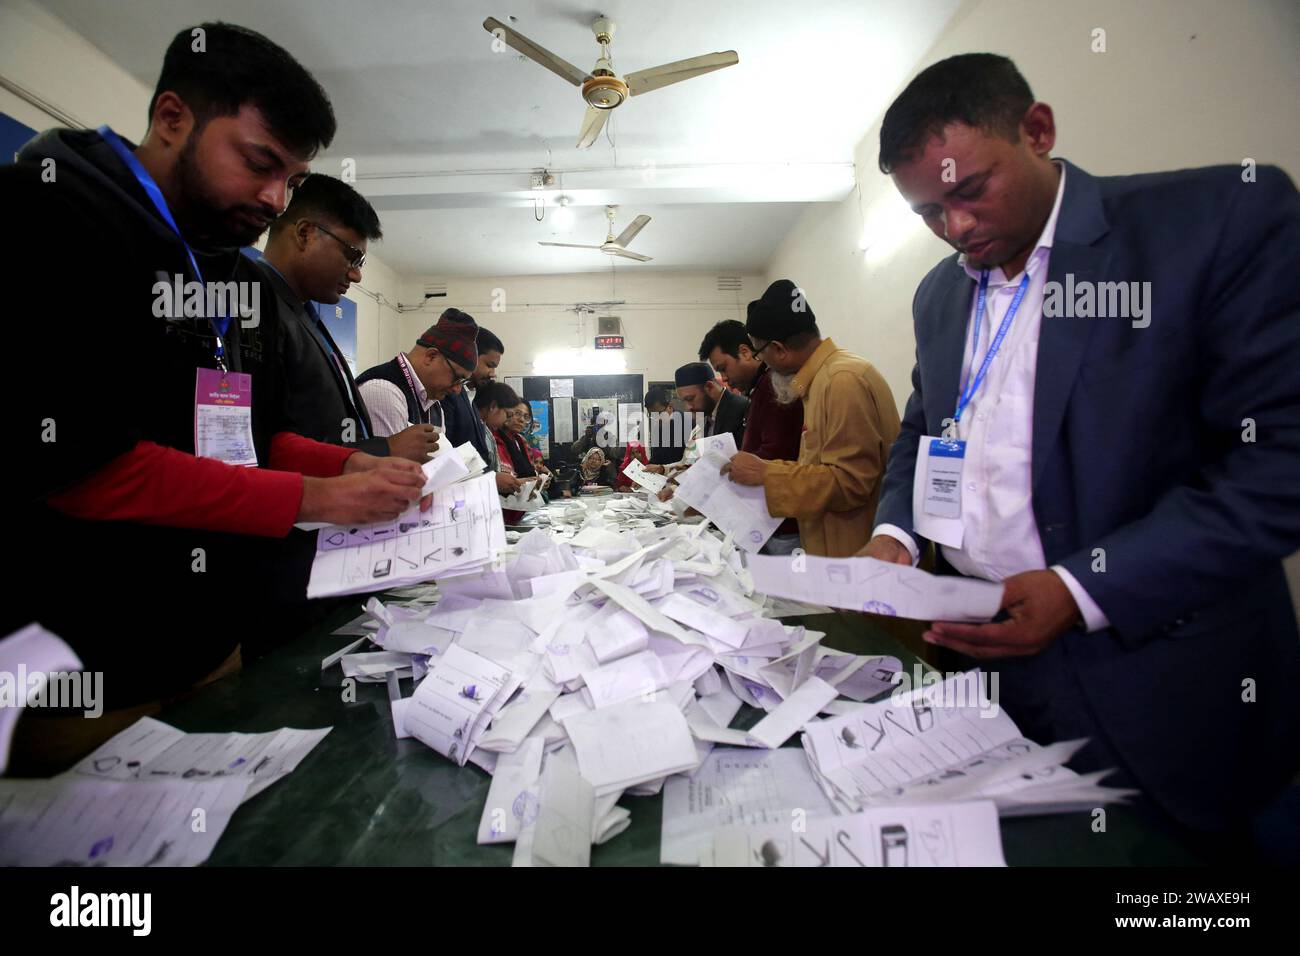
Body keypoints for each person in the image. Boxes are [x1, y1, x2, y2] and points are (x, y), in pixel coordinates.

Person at [859, 53, 1300, 843]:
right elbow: (925, 432)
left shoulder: (1210, 224)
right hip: (979, 661)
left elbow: (1278, 464)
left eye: (968, 191)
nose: (953, 228)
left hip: (1152, 671)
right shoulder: (940, 292)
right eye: (928, 211)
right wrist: (898, 531)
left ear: (1038, 131)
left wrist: (1080, 590)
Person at [5, 22, 426, 757]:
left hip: (210, 643)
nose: (273, 198)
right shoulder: (51, 219)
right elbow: (83, 468)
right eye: (259, 162)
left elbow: (251, 436)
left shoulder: (228, 270)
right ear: (172, 118)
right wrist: (315, 498)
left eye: (291, 181)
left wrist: (344, 464)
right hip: (89, 665)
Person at [258, 174, 437, 463]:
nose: (356, 274)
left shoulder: (304, 316)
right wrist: (385, 449)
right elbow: (265, 446)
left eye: (361, 263)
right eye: (352, 257)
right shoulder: (256, 309)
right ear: (305, 233)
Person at [723, 280, 900, 558]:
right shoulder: (821, 381)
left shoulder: (842, 381)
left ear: (779, 349)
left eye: (760, 353)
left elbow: (851, 483)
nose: (764, 364)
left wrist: (766, 473)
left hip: (856, 553)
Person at [699, 319, 804, 553]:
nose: (724, 378)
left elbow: (777, 453)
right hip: (768, 519)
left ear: (745, 352)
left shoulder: (774, 386)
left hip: (782, 522)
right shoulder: (759, 390)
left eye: (723, 368)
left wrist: (732, 469)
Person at [356, 310, 477, 442]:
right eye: (456, 378)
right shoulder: (383, 391)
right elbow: (389, 461)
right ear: (431, 357)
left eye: (463, 382)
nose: (457, 390)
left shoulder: (433, 405)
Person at [442, 326, 505, 470]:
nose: (493, 374)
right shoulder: (449, 395)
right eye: (489, 365)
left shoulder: (469, 395)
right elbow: (447, 450)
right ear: (471, 356)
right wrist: (493, 479)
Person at [674, 361, 749, 450]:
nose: (687, 408)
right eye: (683, 401)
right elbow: (691, 459)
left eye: (690, 399)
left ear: (709, 387)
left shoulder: (742, 409)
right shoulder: (704, 418)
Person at [472, 381, 523, 495]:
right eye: (508, 415)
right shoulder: (480, 431)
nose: (507, 421)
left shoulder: (486, 431)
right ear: (493, 406)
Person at [642, 387, 688, 471]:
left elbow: (689, 462)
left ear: (670, 407)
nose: (657, 419)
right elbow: (655, 458)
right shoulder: (658, 428)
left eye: (659, 414)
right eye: (652, 415)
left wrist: (663, 469)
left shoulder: (687, 424)